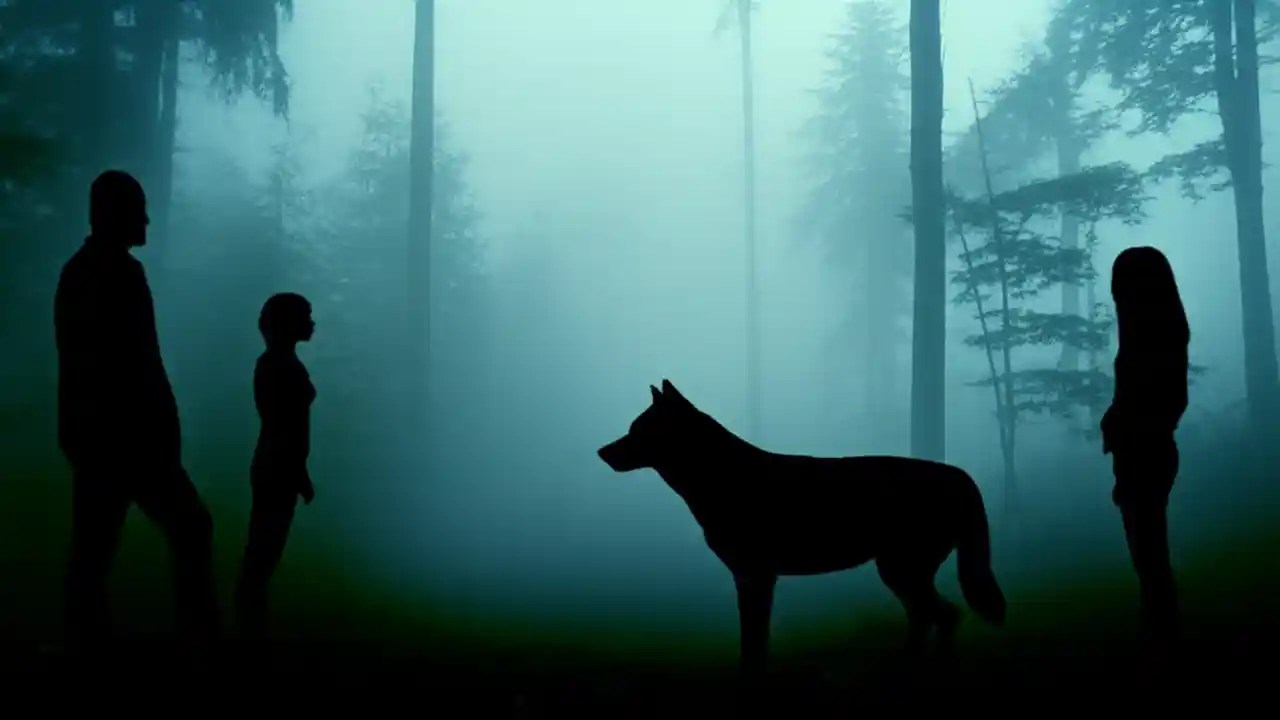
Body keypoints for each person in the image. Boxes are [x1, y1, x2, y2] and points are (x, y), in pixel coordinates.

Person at [54, 170, 219, 659]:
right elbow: (135, 361)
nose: (147, 219)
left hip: (98, 434)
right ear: (115, 214)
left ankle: (86, 645)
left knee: (94, 549)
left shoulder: (84, 270)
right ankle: (198, 641)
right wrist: (160, 429)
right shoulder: (116, 273)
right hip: (126, 437)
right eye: (137, 208)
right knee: (188, 528)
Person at [1100, 245, 1189, 657]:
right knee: (1149, 553)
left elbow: (1161, 402)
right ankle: (1158, 629)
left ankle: (1161, 636)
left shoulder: (1150, 344)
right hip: (1145, 451)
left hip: (1144, 453)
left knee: (1149, 553)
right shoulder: (1161, 337)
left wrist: (1125, 423)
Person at [236, 292, 317, 648]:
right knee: (264, 549)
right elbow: (282, 423)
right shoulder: (276, 365)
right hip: (277, 466)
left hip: (277, 463)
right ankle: (249, 628)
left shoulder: (279, 362)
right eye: (305, 315)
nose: (312, 322)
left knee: (265, 548)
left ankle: (252, 623)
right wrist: (298, 471)